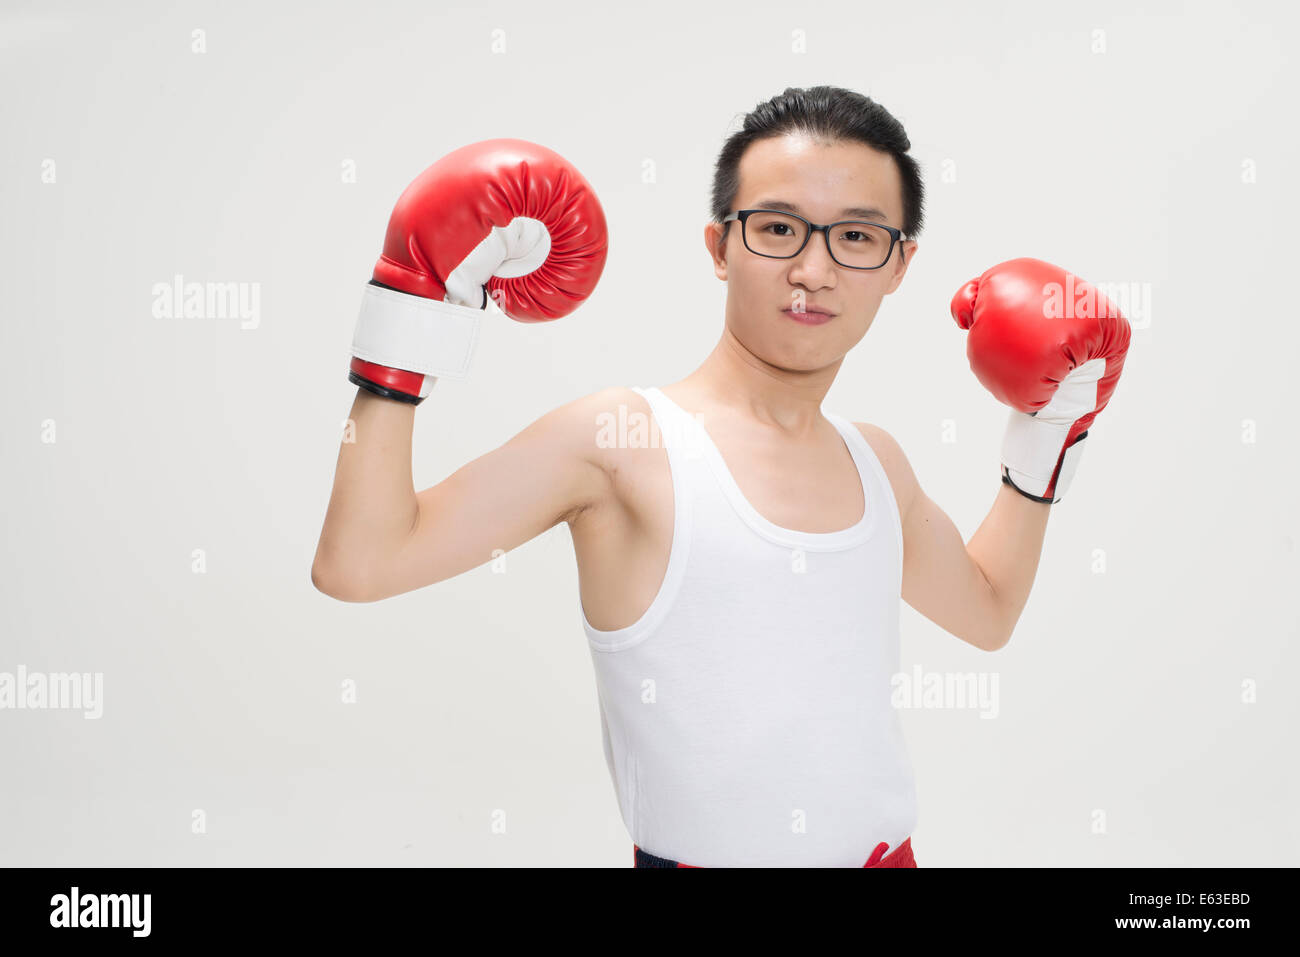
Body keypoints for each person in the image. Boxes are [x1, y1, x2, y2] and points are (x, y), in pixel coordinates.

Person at [311, 87, 1130, 868]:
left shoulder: (876, 459)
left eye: (856, 236)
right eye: (778, 228)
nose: (814, 270)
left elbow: (986, 611)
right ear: (720, 245)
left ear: (899, 264)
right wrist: (409, 317)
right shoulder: (621, 439)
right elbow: (361, 563)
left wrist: (1046, 442)